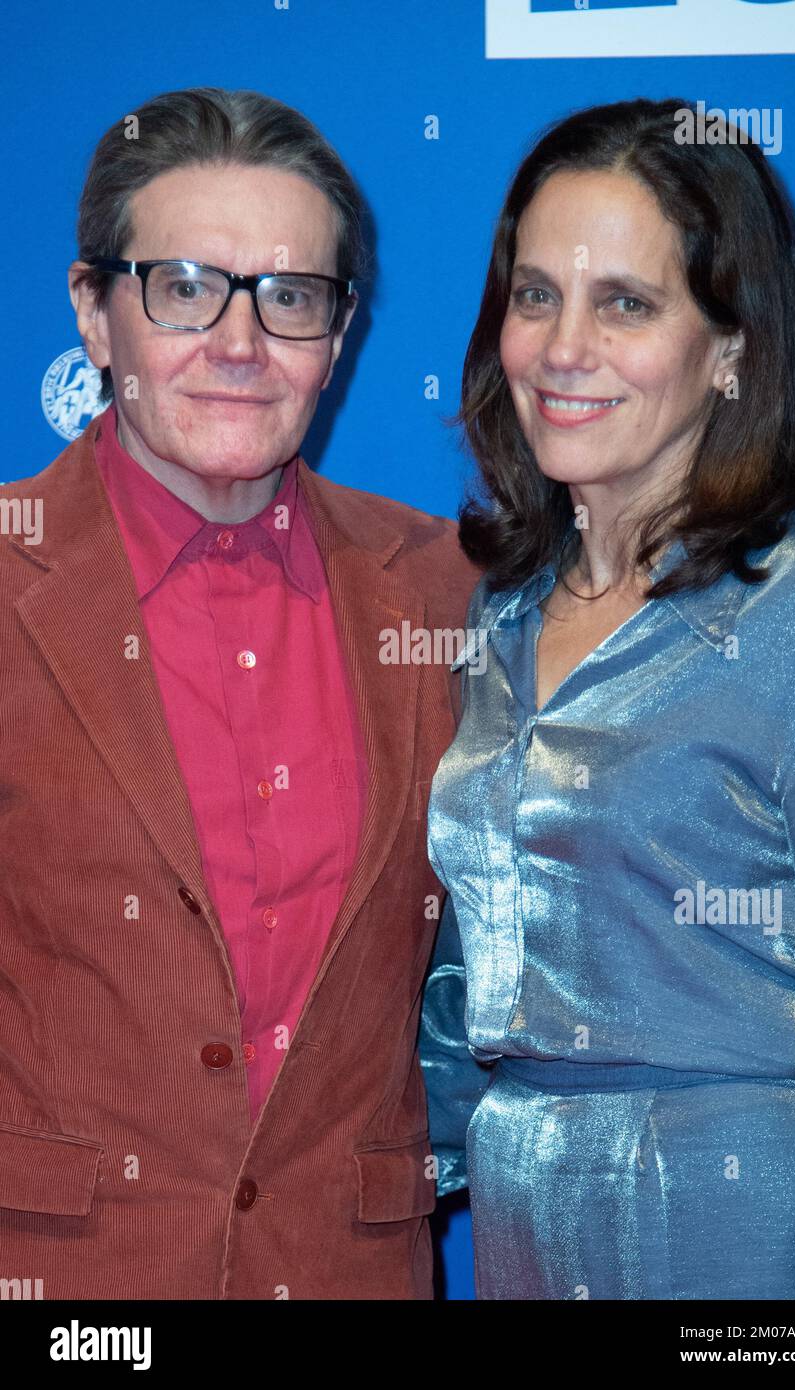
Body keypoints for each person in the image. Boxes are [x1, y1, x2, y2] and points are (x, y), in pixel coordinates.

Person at [0, 86, 478, 1300]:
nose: (238, 341)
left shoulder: (448, 590)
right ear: (93, 314)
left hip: (346, 1269)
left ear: (340, 331)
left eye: (290, 297)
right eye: (184, 286)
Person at [419, 97, 795, 1300]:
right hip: (521, 1230)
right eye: (533, 295)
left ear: (730, 347)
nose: (564, 348)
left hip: (740, 1240)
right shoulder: (498, 614)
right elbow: (471, 982)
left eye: (626, 303)